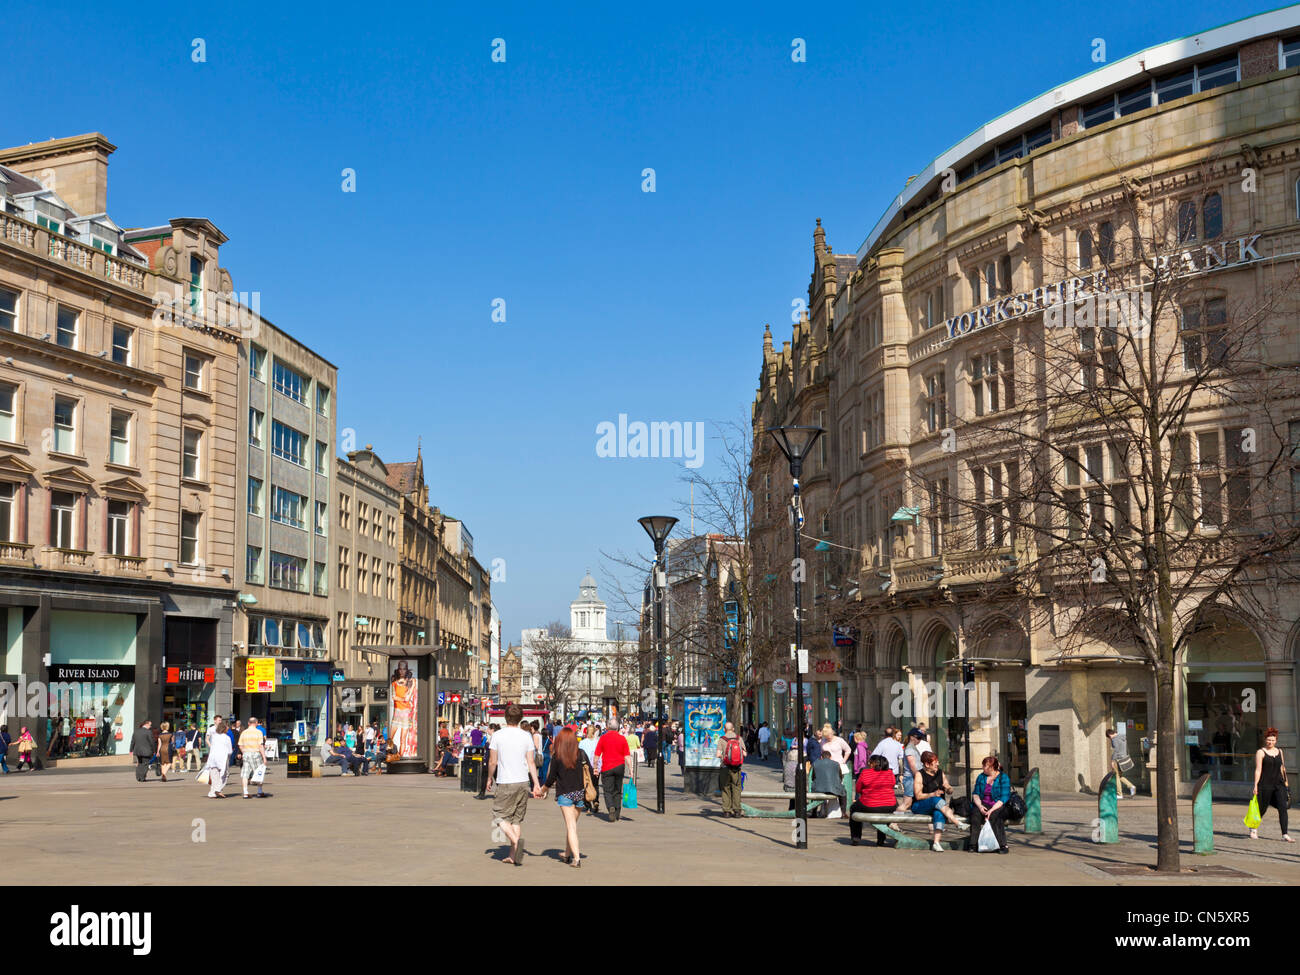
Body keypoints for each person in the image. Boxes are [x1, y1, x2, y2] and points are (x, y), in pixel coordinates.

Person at [486, 702, 541, 866]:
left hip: (506, 781)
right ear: (520, 718)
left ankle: (516, 842)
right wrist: (536, 784)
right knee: (516, 819)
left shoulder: (498, 735)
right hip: (523, 781)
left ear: (505, 717)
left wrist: (489, 778)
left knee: (499, 816)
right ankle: (513, 855)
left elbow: (492, 761)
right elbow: (531, 762)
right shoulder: (526, 736)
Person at [540, 726, 594, 868]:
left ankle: (576, 859)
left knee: (571, 827)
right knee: (572, 827)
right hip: (580, 794)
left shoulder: (557, 756)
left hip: (565, 794)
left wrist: (542, 789)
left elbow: (551, 778)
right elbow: (591, 771)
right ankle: (567, 854)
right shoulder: (581, 753)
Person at [911, 751, 962, 851]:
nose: (938, 764)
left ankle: (936, 843)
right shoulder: (919, 774)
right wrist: (932, 794)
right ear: (927, 764)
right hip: (919, 805)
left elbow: (946, 784)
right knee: (935, 799)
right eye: (935, 762)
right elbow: (918, 796)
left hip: (938, 806)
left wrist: (949, 789)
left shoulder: (940, 772)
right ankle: (957, 822)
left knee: (939, 813)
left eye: (938, 762)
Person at [1251, 728, 1292, 842]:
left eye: (1273, 740)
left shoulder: (1280, 751)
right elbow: (1258, 770)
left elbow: (1282, 768)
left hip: (1279, 784)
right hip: (1265, 784)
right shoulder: (1261, 752)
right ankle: (1253, 828)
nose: (1270, 742)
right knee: (1262, 808)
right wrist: (1255, 785)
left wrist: (1286, 782)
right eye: (1269, 740)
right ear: (1265, 740)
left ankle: (1285, 834)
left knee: (1283, 808)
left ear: (1276, 740)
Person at [850, 754, 900, 846]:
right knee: (884, 812)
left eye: (870, 762)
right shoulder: (890, 773)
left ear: (873, 763)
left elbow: (858, 789)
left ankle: (856, 837)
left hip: (869, 805)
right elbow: (892, 785)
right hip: (889, 805)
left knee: (853, 808)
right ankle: (881, 839)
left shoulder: (865, 772)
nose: (869, 764)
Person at [968, 755, 1011, 854]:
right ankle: (973, 844)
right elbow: (976, 794)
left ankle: (1002, 845)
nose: (982, 767)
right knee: (975, 815)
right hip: (983, 803)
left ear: (991, 767)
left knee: (995, 816)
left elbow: (1004, 798)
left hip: (998, 805)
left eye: (985, 765)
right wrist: (980, 806)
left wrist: (991, 810)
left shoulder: (1003, 778)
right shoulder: (981, 777)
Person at [595, 720, 633, 822]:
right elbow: (627, 756)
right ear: (617, 728)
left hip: (607, 767)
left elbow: (597, 755)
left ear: (607, 727)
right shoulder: (622, 739)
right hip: (620, 767)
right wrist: (631, 770)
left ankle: (610, 807)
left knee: (607, 790)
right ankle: (617, 812)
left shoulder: (603, 738)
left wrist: (595, 767)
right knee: (617, 790)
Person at [716, 721, 748, 817]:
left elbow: (718, 754)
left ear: (724, 730)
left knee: (726, 788)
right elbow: (745, 754)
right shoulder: (739, 738)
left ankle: (726, 811)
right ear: (733, 729)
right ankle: (737, 811)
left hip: (725, 768)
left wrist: (724, 757)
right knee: (736, 788)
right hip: (737, 768)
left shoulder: (722, 739)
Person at [810, 747, 847, 818]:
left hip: (818, 789)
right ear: (830, 757)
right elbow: (840, 776)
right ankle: (843, 813)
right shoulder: (836, 764)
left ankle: (814, 812)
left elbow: (813, 778)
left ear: (821, 757)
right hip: (833, 789)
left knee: (814, 788)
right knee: (844, 793)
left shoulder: (815, 763)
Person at [239, 717, 268, 798]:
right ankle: (259, 791)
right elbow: (260, 746)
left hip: (246, 753)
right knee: (259, 772)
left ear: (248, 723)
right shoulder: (258, 732)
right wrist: (264, 757)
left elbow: (240, 745)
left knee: (245, 773)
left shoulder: (244, 732)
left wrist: (244, 752)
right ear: (256, 723)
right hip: (256, 753)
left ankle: (245, 792)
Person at [898, 730, 926, 812]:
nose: (920, 740)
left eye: (921, 738)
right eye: (918, 737)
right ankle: (893, 822)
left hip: (913, 778)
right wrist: (919, 777)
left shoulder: (912, 748)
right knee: (907, 803)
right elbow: (912, 766)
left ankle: (931, 825)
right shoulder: (909, 749)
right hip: (911, 779)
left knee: (921, 802)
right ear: (911, 737)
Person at [1106, 728, 1138, 798]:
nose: (1110, 738)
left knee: (1116, 776)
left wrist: (1112, 760)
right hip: (1123, 759)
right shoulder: (1122, 738)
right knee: (1119, 776)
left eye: (1109, 737)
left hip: (1118, 760)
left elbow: (1116, 750)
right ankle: (1131, 786)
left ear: (1109, 734)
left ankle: (1119, 794)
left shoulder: (1114, 739)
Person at [205, 719, 232, 798]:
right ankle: (218, 789)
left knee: (214, 775)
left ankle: (212, 792)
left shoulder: (214, 737)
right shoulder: (227, 738)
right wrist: (229, 758)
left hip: (213, 758)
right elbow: (229, 751)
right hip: (223, 757)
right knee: (225, 774)